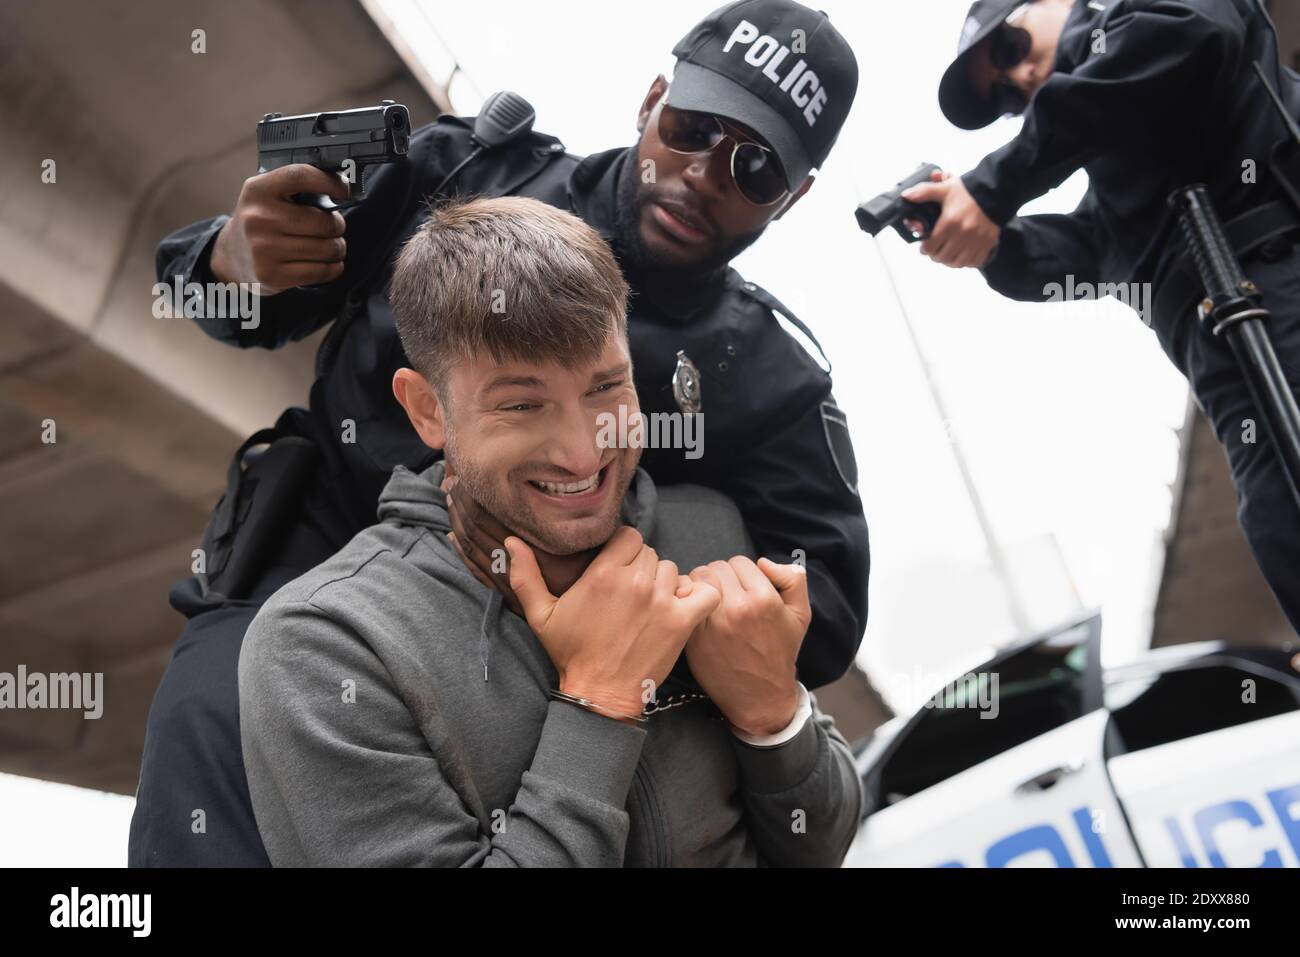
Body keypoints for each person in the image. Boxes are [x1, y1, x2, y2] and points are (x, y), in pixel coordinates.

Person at [131, 0, 868, 866]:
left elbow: (819, 607)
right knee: (203, 777)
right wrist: (235, 262)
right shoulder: (461, 170)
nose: (704, 172)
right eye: (694, 126)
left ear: (794, 198)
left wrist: (722, 646)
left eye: (753, 166)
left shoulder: (769, 374)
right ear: (652, 97)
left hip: (553, 616)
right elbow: (224, 296)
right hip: (317, 548)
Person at [238, 195, 862, 867]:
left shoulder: (708, 527)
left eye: (604, 388)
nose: (582, 452)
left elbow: (819, 844)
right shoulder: (324, 644)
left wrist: (771, 713)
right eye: (522, 404)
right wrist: (599, 702)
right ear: (428, 410)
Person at [903, 0, 1300, 633]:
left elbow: (1183, 38)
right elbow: (1079, 256)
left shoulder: (1145, 25)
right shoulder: (1118, 188)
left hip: (1280, 281)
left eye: (1007, 50)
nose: (1022, 79)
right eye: (1006, 98)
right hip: (1233, 384)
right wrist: (988, 243)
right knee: (1278, 517)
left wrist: (994, 187)